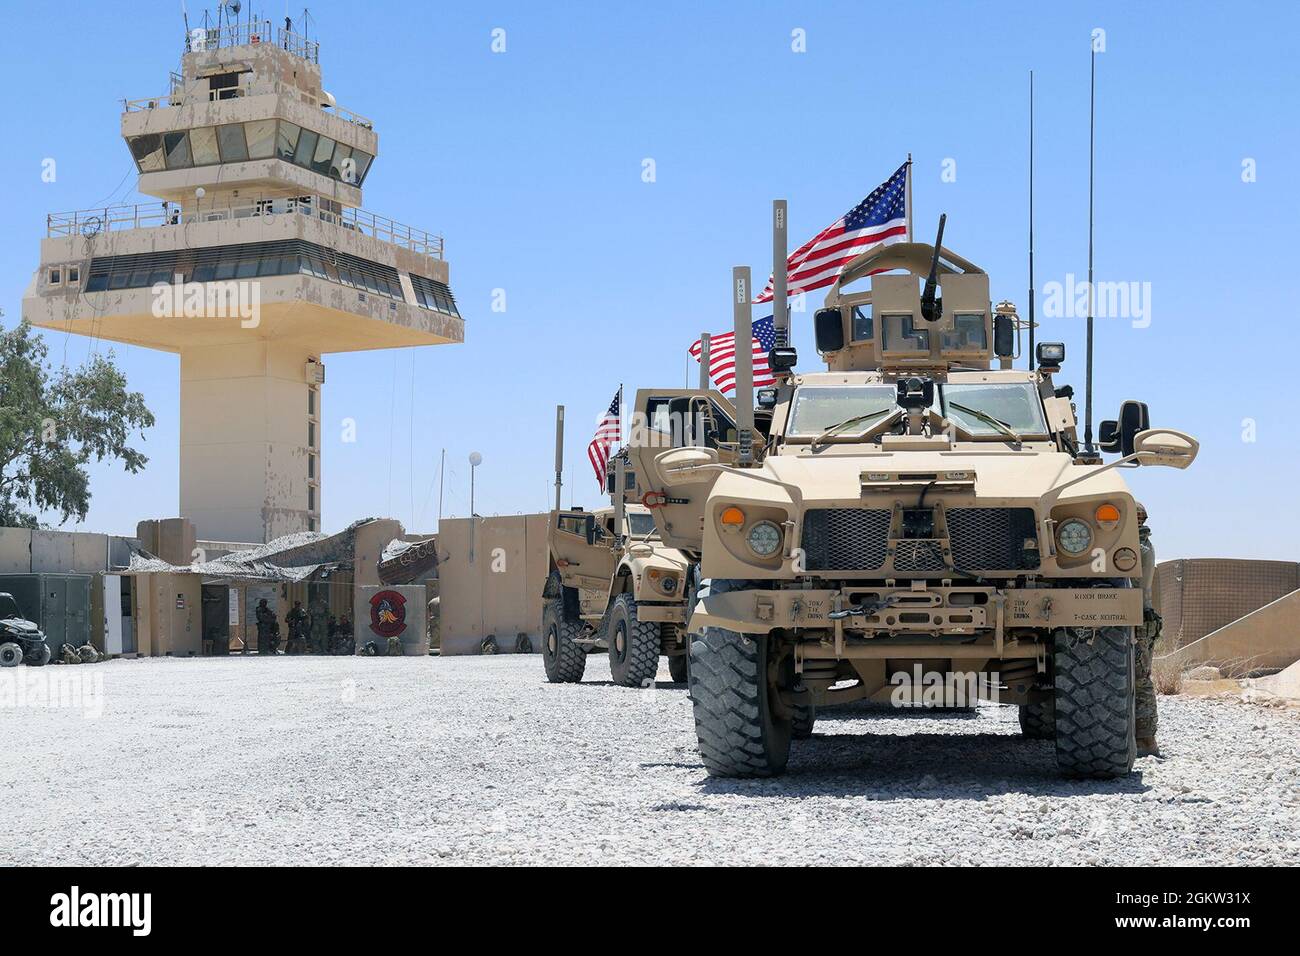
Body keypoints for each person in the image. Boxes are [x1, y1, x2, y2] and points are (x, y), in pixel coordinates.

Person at [1134, 501, 1162, 758]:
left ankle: (1146, 738)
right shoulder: (1142, 544)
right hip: (1140, 619)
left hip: (1139, 621)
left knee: (1139, 679)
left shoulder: (1140, 547)